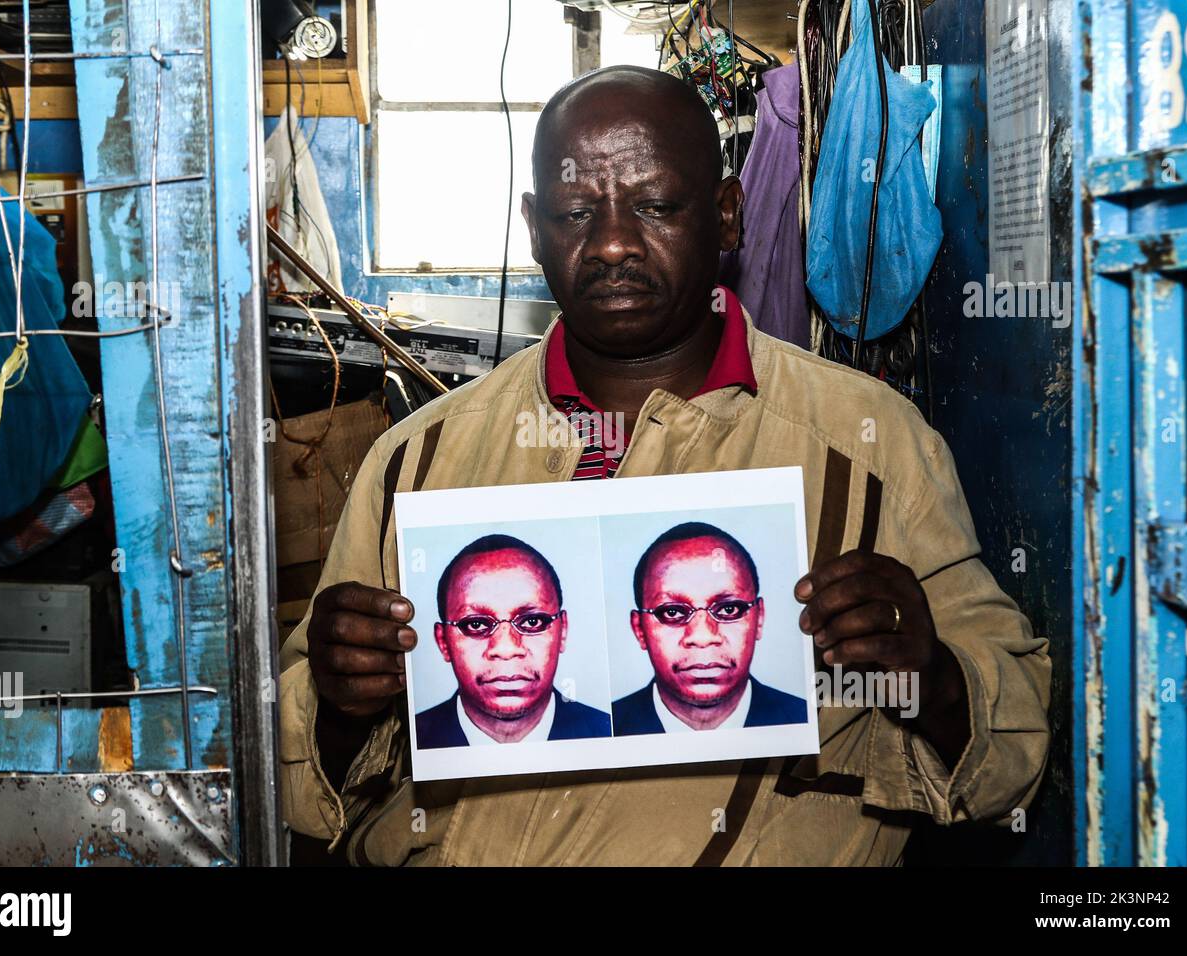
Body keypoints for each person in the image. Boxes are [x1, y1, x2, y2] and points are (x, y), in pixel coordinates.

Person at [279, 65, 1051, 866]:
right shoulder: (418, 461)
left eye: (655, 206)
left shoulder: (869, 444)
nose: (612, 243)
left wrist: (930, 674)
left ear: (726, 217)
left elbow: (1012, 764)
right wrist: (339, 707)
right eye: (577, 213)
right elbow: (301, 796)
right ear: (535, 228)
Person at [416, 534, 610, 748]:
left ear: (562, 631)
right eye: (476, 624)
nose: (506, 649)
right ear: (443, 641)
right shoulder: (410, 746)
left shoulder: (608, 734)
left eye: (532, 621)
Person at [612, 522, 807, 735]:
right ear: (639, 629)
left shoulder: (804, 721)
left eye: (729, 609)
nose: (703, 636)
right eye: (672, 612)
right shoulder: (606, 731)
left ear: (759, 619)